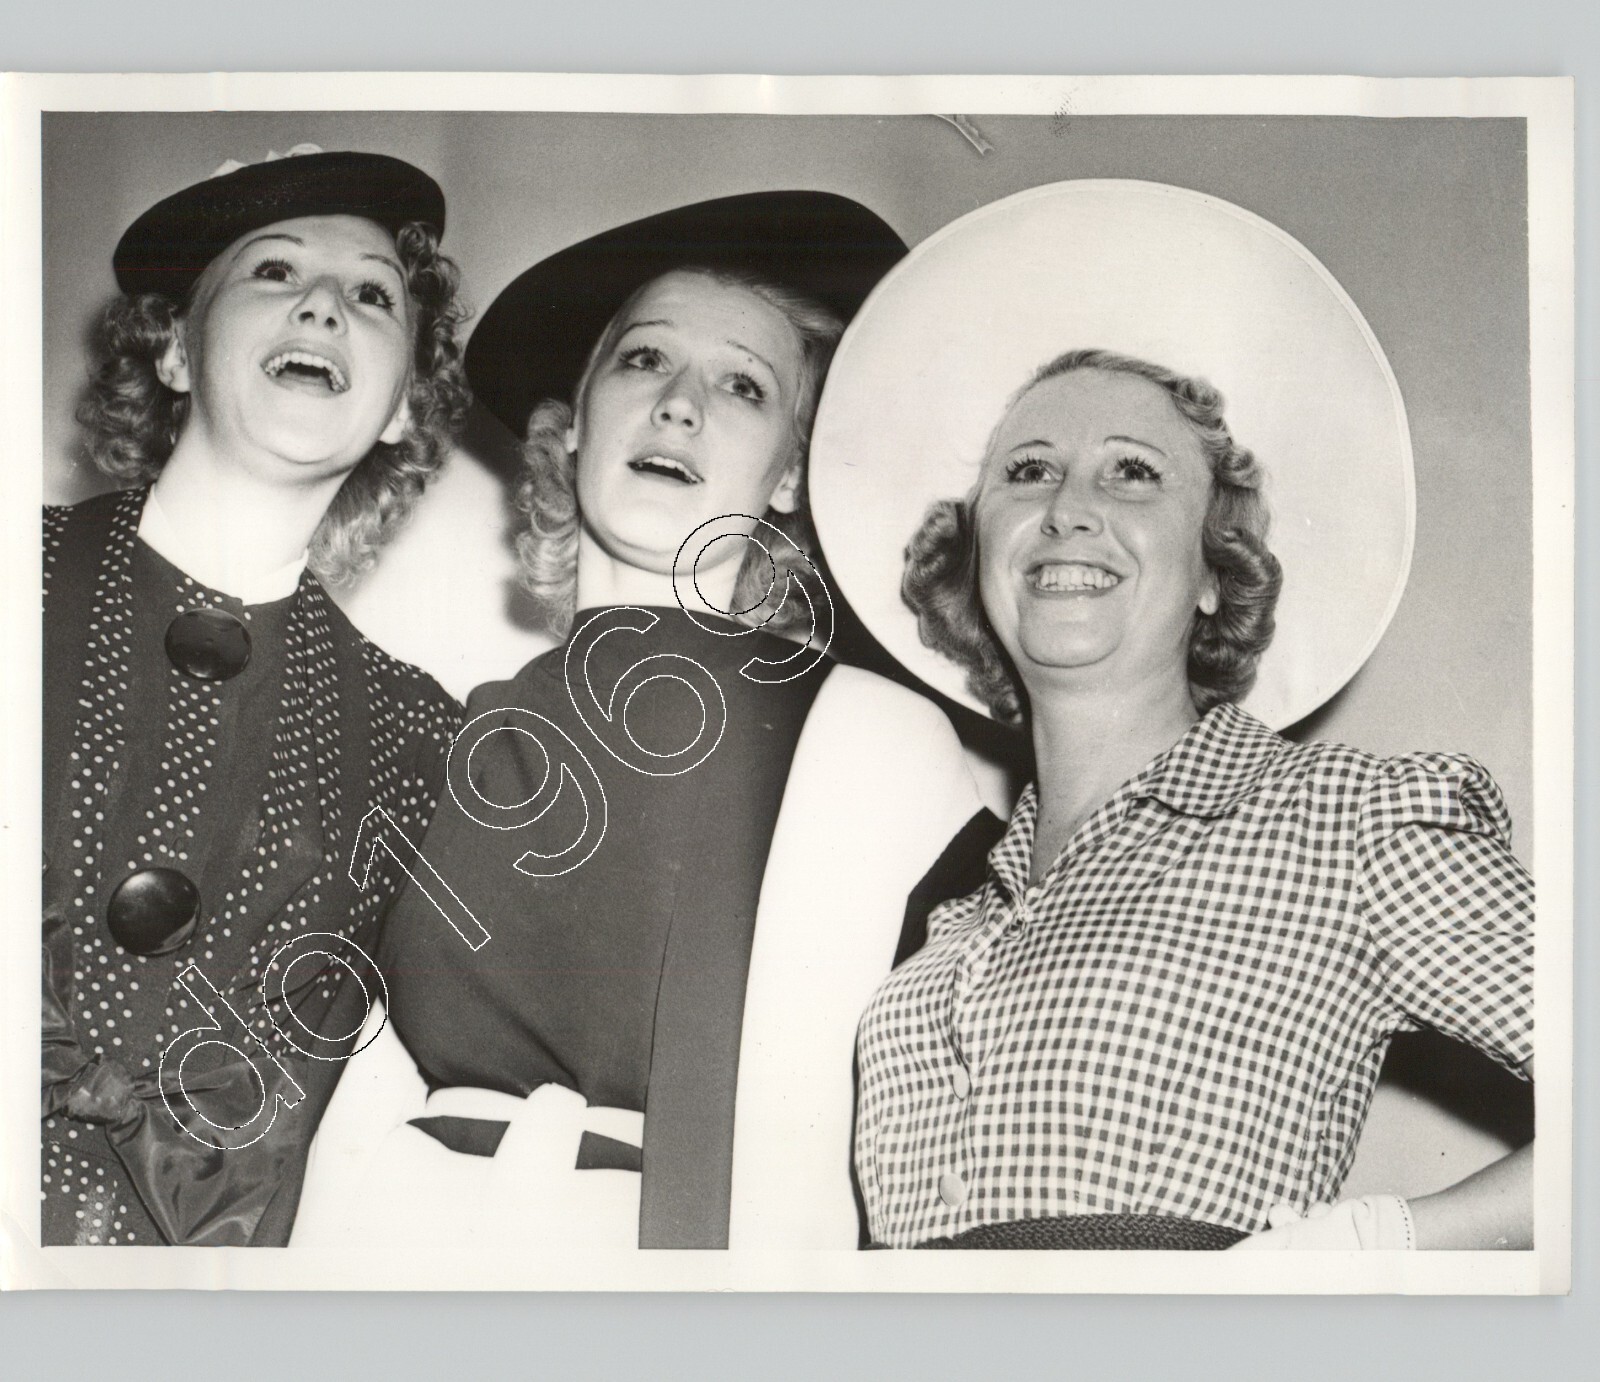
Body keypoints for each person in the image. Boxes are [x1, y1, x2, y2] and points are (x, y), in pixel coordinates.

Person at [806, 182, 1533, 1250]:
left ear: (1212, 569)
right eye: (1028, 471)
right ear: (976, 551)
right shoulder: (950, 912)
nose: (1067, 507)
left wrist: (1377, 1242)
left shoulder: (1345, 824)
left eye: (1132, 473)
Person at [293, 192, 990, 1253]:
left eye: (743, 386)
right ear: (571, 424)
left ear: (794, 472)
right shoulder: (442, 730)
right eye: (642, 360)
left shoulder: (871, 741)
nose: (678, 406)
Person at [41, 146, 470, 1246]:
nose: (325, 306)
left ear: (400, 407)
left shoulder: (426, 737)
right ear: (176, 351)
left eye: (372, 294)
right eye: (274, 273)